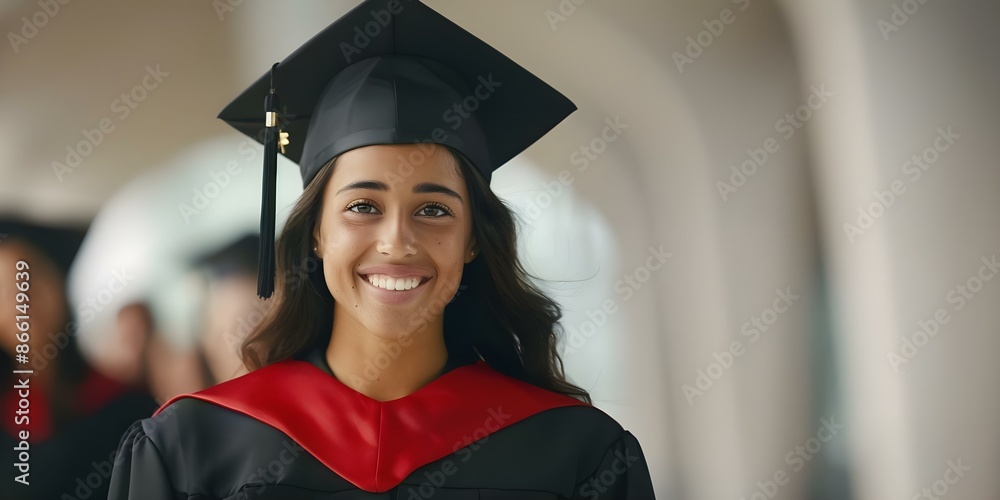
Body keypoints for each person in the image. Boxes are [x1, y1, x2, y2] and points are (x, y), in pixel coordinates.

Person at [108, 0, 656, 498]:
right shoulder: (191, 448)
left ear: (472, 241)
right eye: (363, 206)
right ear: (316, 233)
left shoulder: (575, 453)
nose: (397, 241)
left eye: (434, 210)